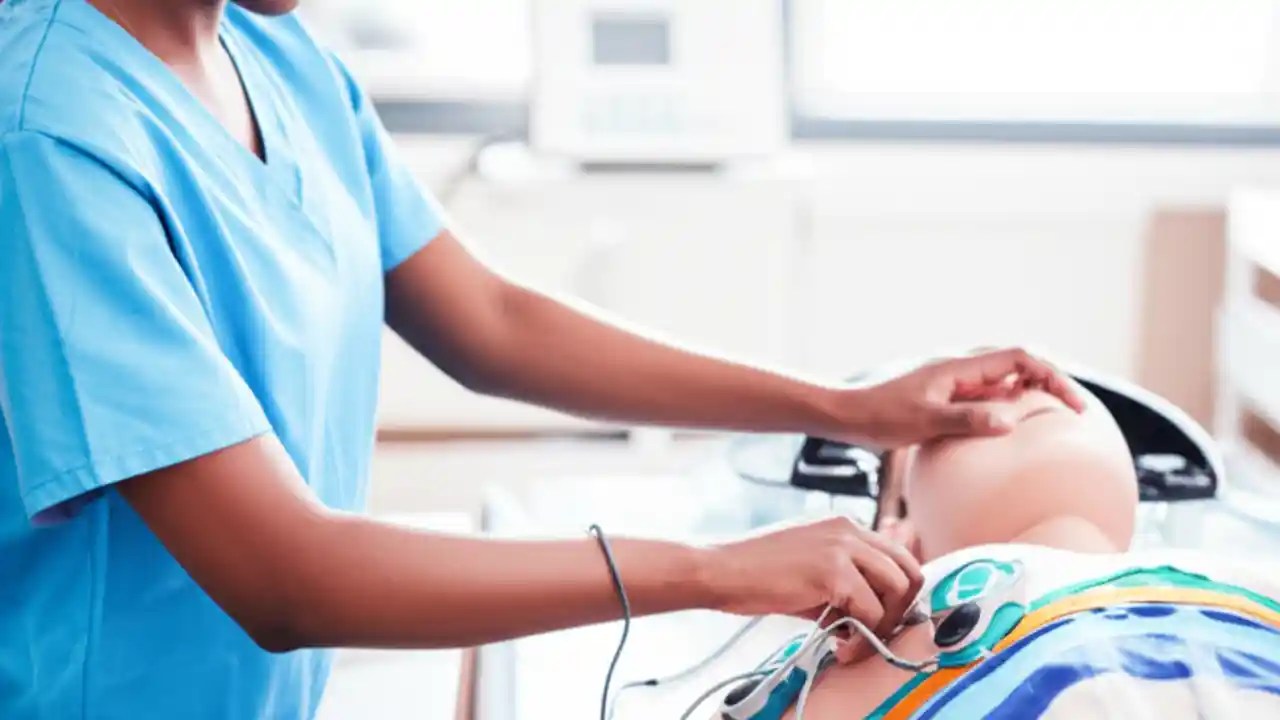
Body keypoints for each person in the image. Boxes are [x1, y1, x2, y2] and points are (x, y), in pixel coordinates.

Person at [0, 1, 1085, 718]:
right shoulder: (50, 139)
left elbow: (490, 323)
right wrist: (712, 572)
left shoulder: (277, 58)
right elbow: (285, 579)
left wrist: (847, 408)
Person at [732, 382, 1280, 719]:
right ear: (897, 538)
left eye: (1058, 388)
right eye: (954, 418)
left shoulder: (1251, 586)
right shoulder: (835, 665)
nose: (1021, 382)